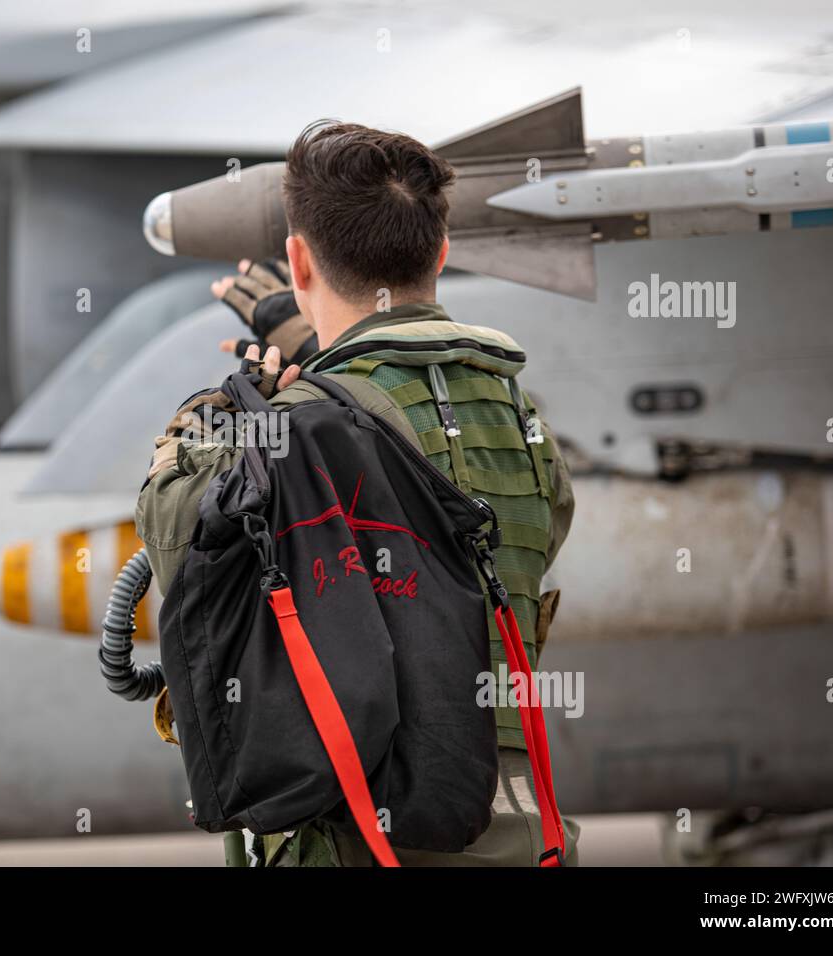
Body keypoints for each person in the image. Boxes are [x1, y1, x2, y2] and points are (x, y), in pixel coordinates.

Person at [136, 120, 579, 866]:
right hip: (521, 830)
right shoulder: (523, 422)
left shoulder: (288, 432)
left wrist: (222, 413)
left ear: (298, 260)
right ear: (441, 252)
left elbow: (177, 540)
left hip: (357, 835)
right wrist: (319, 370)